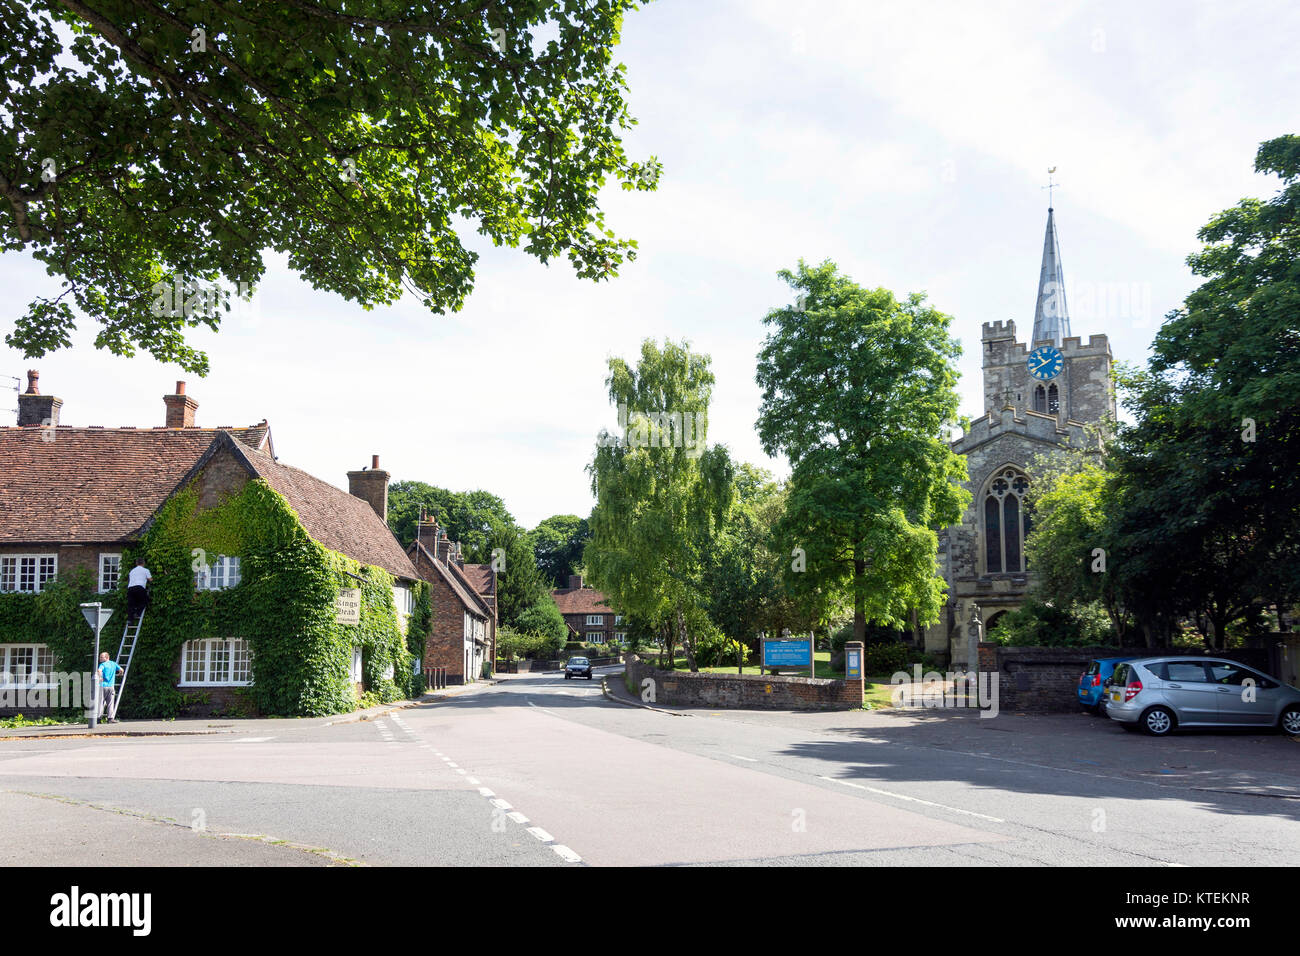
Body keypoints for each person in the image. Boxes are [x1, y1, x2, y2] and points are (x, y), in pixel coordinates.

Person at [97, 652, 121, 723]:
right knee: (110, 703)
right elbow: (121, 670)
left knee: (100, 703)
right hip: (111, 686)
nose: (100, 658)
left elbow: (99, 670)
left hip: (102, 686)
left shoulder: (102, 664)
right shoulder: (114, 664)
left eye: (101, 657)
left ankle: (98, 719)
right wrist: (120, 674)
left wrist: (100, 677)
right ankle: (110, 718)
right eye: (100, 657)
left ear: (107, 657)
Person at [127, 558, 152, 625]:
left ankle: (130, 620)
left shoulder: (132, 571)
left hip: (130, 588)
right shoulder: (145, 570)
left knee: (131, 605)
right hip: (139, 588)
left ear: (136, 563)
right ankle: (137, 613)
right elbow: (150, 579)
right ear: (143, 563)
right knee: (145, 600)